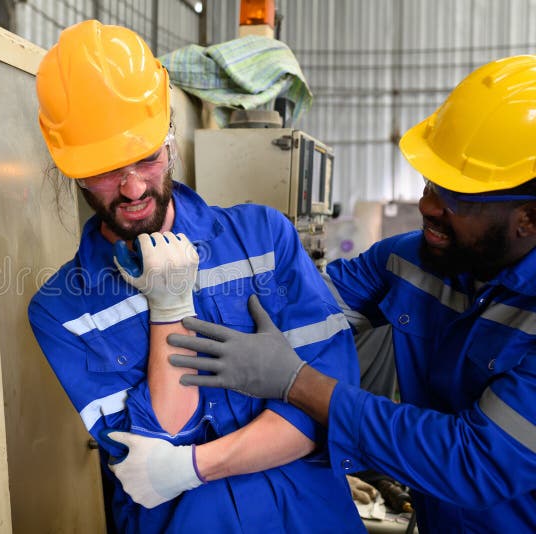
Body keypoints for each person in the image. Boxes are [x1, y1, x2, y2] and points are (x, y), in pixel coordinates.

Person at [117, 55, 536, 533]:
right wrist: (176, 298)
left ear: (529, 219)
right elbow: (304, 306)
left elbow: (471, 462)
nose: (426, 206)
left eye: (456, 200)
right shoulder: (411, 261)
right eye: (429, 184)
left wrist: (296, 382)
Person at [27, 19, 365, 533]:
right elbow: (154, 449)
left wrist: (192, 467)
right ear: (68, 166)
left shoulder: (263, 240)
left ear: (167, 137)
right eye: (104, 169)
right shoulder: (63, 309)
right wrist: (169, 309)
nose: (133, 187)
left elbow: (329, 407)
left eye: (145, 156)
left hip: (311, 518)